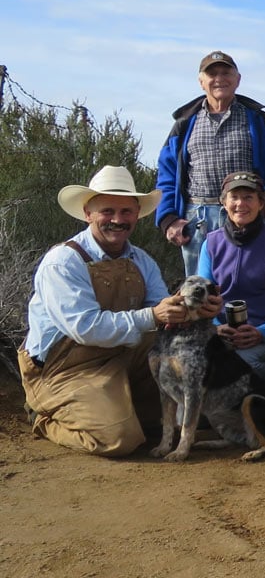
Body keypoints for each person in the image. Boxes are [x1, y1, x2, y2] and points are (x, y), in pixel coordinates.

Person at [18, 166, 220, 456]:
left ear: (137, 214)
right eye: (107, 211)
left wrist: (197, 309)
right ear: (88, 213)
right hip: (63, 368)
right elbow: (85, 328)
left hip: (120, 353)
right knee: (119, 439)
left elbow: (163, 310)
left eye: (126, 212)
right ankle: (43, 416)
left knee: (176, 400)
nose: (118, 220)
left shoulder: (142, 259)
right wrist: (154, 315)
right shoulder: (63, 262)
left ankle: (123, 405)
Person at [156, 50, 265, 276]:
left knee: (252, 283)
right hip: (197, 220)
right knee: (199, 292)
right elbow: (166, 174)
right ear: (201, 82)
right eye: (212, 74)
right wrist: (168, 219)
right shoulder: (184, 124)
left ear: (238, 79)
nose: (219, 79)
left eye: (226, 72)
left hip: (248, 214)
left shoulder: (259, 120)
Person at [197, 171, 265, 388]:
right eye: (234, 197)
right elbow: (201, 299)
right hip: (221, 338)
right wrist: (216, 328)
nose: (241, 203)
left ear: (262, 203)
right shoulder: (210, 245)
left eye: (249, 197)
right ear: (224, 202)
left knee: (241, 361)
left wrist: (262, 332)